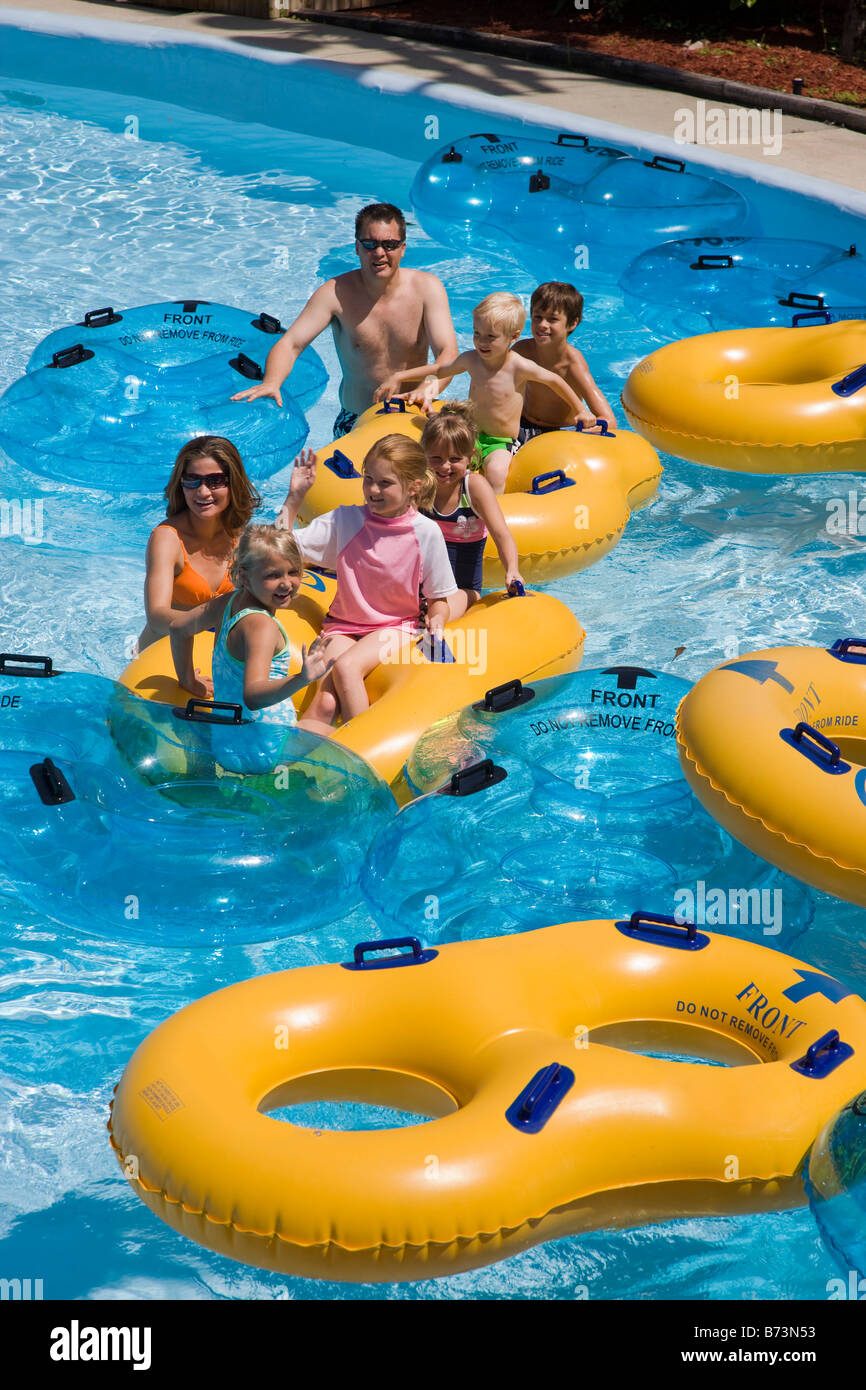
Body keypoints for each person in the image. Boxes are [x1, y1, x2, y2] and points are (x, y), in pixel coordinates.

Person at [230, 203, 459, 439]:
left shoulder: (426, 288)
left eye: (389, 245)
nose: (380, 253)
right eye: (370, 244)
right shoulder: (335, 294)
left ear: (402, 248)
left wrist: (428, 389)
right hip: (356, 419)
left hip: (411, 414)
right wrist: (272, 382)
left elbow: (448, 353)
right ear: (357, 247)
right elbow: (291, 344)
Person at [279, 434, 457, 725]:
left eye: (385, 483)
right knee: (324, 703)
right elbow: (281, 548)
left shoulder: (425, 532)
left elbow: (439, 599)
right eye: (368, 479)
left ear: (414, 487)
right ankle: (292, 765)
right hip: (343, 627)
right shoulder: (345, 520)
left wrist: (438, 619)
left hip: (396, 628)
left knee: (347, 667)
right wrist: (295, 497)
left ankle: (362, 756)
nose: (372, 490)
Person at [375, 292, 597, 495]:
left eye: (490, 336)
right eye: (477, 333)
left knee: (497, 473)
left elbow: (555, 380)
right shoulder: (472, 359)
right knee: (436, 461)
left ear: (514, 336)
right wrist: (399, 377)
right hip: (469, 433)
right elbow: (439, 370)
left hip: (499, 441)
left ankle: (490, 517)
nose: (481, 341)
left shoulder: (519, 366)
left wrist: (581, 410)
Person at [169, 524, 336, 755]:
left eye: (293, 572)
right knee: (344, 740)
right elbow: (254, 696)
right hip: (265, 747)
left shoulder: (227, 603)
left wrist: (188, 680)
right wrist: (301, 678)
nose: (286, 583)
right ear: (244, 577)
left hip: (227, 739)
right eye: (273, 575)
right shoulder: (262, 626)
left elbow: (178, 628)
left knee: (325, 709)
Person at [140, 436, 261, 695]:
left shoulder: (239, 535)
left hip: (214, 655)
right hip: (162, 657)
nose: (202, 492)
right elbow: (157, 615)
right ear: (180, 484)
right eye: (192, 480)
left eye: (215, 481)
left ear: (233, 482)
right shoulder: (167, 539)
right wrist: (219, 615)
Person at [420, 403, 524, 620]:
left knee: (436, 612)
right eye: (436, 458)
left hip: (461, 590)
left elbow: (501, 534)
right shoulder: (420, 486)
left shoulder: (474, 487)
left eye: (455, 459)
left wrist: (512, 570)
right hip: (422, 583)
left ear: (470, 457)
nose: (445, 467)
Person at [514, 282, 617, 444]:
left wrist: (581, 431)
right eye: (537, 317)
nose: (542, 325)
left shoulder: (573, 364)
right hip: (522, 422)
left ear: (572, 323)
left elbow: (609, 421)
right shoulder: (522, 351)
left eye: (552, 319)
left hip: (561, 431)